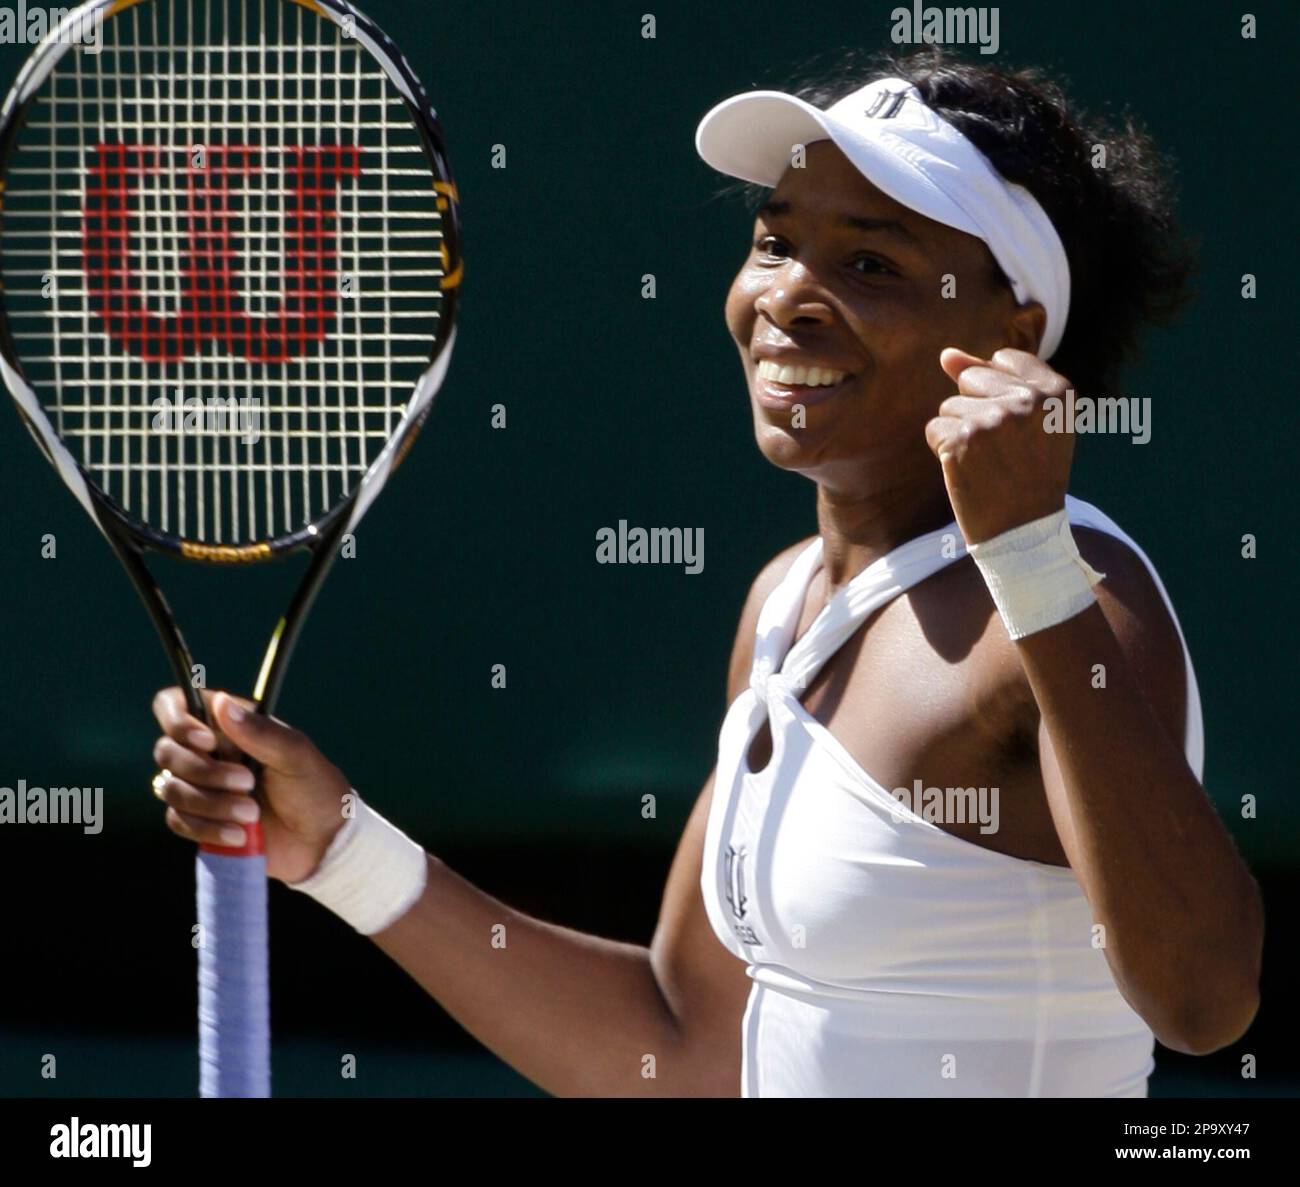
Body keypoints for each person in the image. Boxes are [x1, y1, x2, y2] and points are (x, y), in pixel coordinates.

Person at [147, 48, 1262, 1097]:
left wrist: (1024, 554)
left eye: (868, 262)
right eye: (776, 243)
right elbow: (681, 1051)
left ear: (1014, 330)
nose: (786, 295)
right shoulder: (784, 604)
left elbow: (1203, 1001)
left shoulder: (1079, 593)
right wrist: (339, 845)